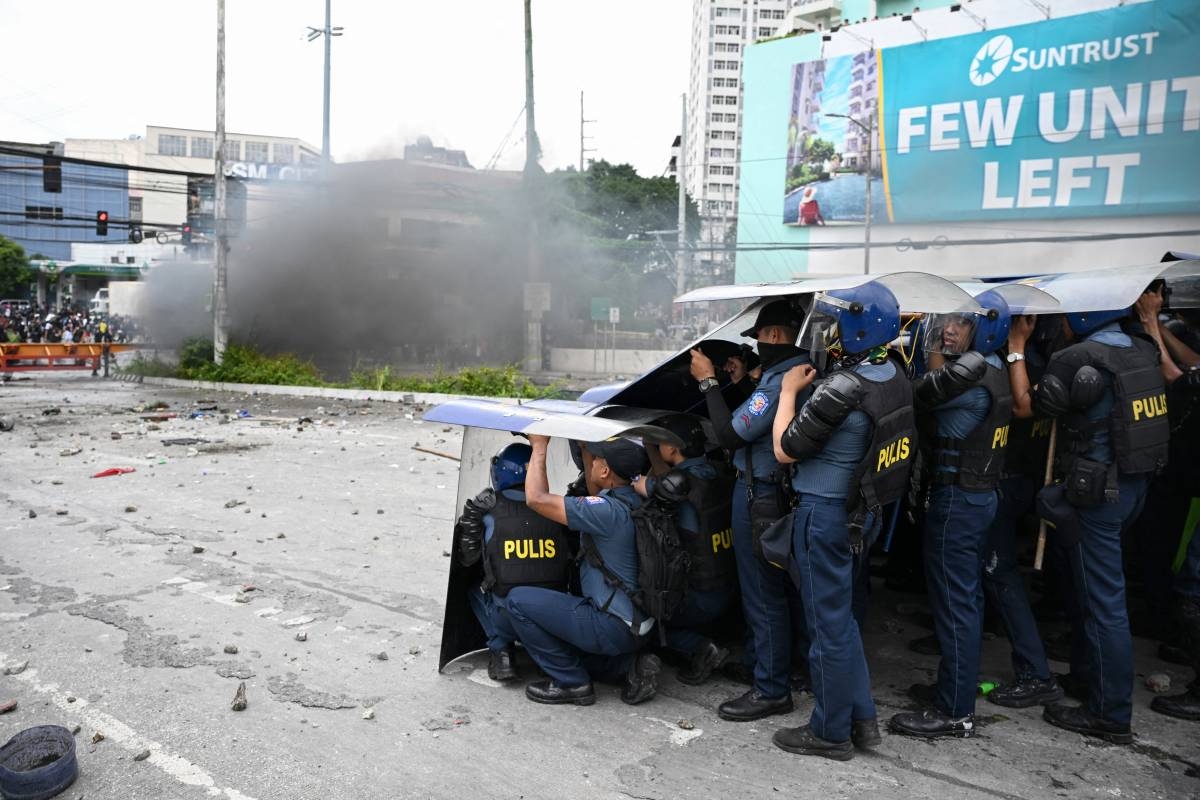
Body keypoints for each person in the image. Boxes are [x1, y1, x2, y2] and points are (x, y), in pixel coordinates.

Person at [770, 282, 916, 760]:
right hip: (861, 512)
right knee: (842, 621)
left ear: (855, 326)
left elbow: (784, 449)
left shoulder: (843, 388)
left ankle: (830, 732)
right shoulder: (891, 372)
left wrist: (790, 391)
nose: (829, 331)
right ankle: (861, 717)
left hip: (825, 515)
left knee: (826, 629)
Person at [1026, 304, 1169, 743]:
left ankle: (1110, 713)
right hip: (1133, 486)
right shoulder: (1142, 350)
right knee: (1096, 593)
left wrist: (1018, 353)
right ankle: (1091, 680)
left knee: (1104, 605)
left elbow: (1041, 405)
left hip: (1098, 493)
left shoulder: (1079, 358)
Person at [891, 290, 1014, 739]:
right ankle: (953, 688)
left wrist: (925, 351)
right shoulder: (996, 367)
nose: (949, 328)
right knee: (965, 600)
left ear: (986, 328)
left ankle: (955, 711)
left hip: (959, 499)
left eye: (962, 323)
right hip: (976, 495)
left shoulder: (971, 374)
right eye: (949, 321)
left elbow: (914, 396)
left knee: (955, 604)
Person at [689, 298, 812, 722]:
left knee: (762, 593)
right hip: (782, 493)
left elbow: (729, 435)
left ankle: (771, 689)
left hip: (759, 495)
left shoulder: (779, 380)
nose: (757, 345)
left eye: (758, 336)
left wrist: (708, 383)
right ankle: (774, 665)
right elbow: (755, 419)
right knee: (780, 590)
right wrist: (742, 385)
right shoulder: (801, 370)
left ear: (774, 335)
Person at [495, 434, 661, 706]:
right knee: (557, 646)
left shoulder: (605, 512)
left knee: (518, 602)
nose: (590, 463)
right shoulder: (636, 499)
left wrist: (540, 446)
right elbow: (596, 490)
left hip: (612, 625)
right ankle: (630, 667)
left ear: (605, 470)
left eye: (596, 459)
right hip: (640, 623)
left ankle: (572, 684)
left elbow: (536, 499)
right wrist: (582, 439)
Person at [981, 313, 1065, 709]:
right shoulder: (1046, 359)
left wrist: (1015, 347)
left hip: (1009, 480)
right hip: (1021, 479)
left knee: (1000, 571)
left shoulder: (1025, 362)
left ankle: (1036, 672)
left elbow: (1021, 408)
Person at [454, 442, 572, 683]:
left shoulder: (489, 511)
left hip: (509, 616)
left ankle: (502, 651)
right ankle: (545, 653)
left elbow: (467, 559)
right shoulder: (557, 508)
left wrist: (472, 517)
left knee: (474, 588)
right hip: (556, 616)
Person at [633, 413, 735, 685]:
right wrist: (652, 447)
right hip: (729, 587)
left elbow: (639, 485)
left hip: (698, 597)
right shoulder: (718, 472)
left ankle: (699, 647)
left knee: (638, 622)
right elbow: (671, 480)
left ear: (672, 448)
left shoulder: (679, 484)